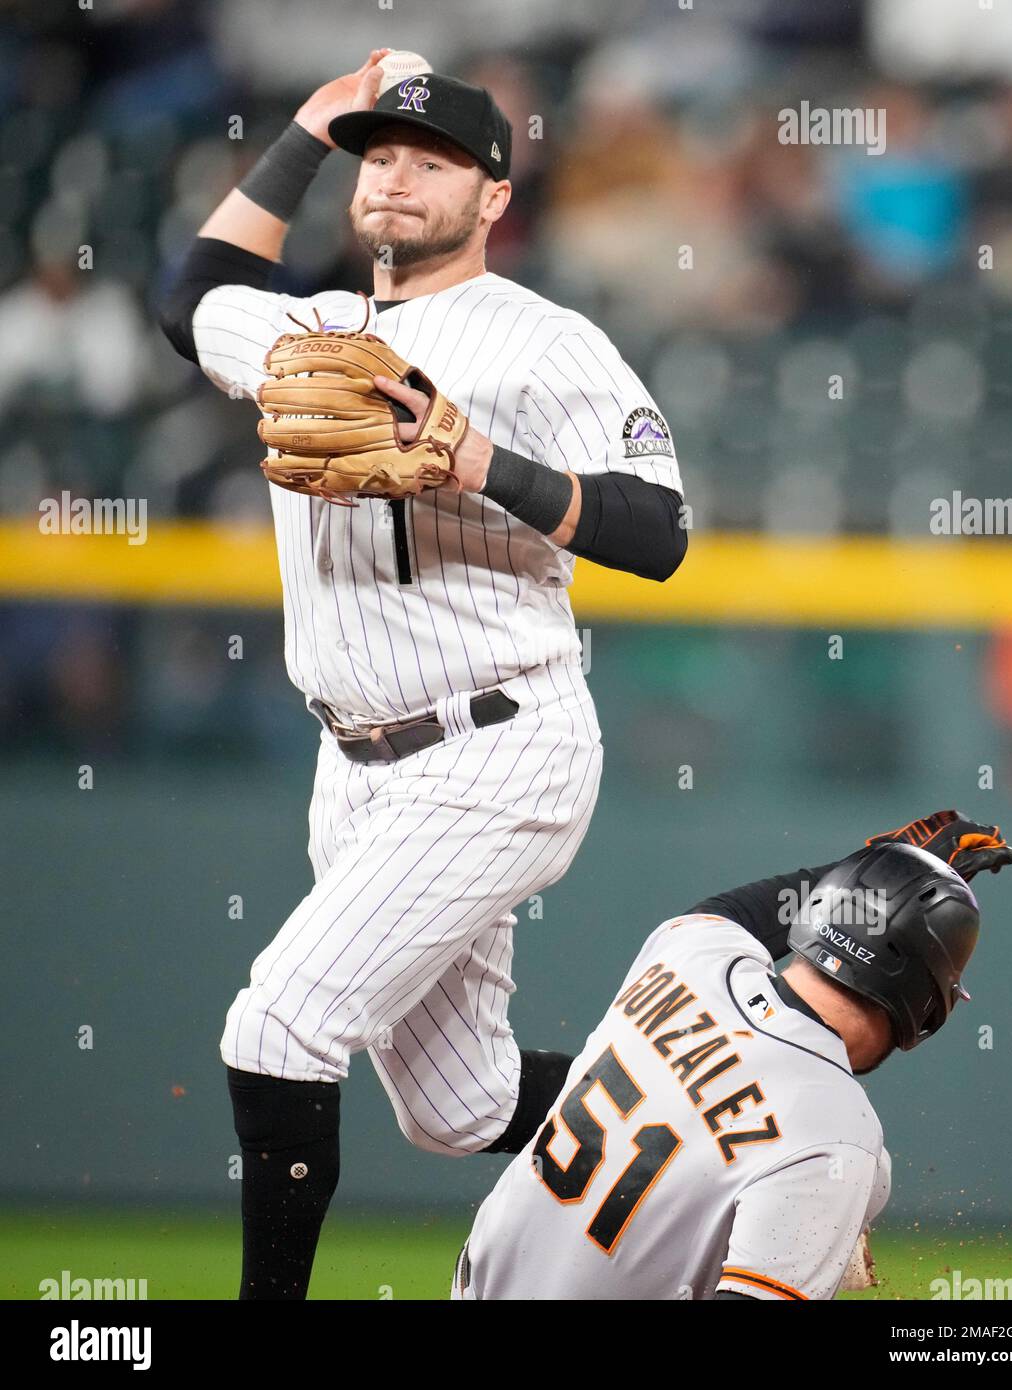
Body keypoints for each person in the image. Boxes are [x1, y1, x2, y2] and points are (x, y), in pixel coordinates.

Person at [156, 51, 686, 1299]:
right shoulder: (312, 330)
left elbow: (659, 531)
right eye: (377, 155)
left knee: (278, 1022)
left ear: (493, 196)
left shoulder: (547, 342)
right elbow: (195, 294)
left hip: (499, 739)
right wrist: (304, 125)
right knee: (460, 1107)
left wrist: (479, 459)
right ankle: (708, 1128)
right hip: (354, 763)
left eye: (431, 162)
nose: (395, 178)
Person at [452, 810, 1012, 1301]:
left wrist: (879, 870)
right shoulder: (836, 1134)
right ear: (926, 1006)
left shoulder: (691, 954)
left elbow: (739, 909)